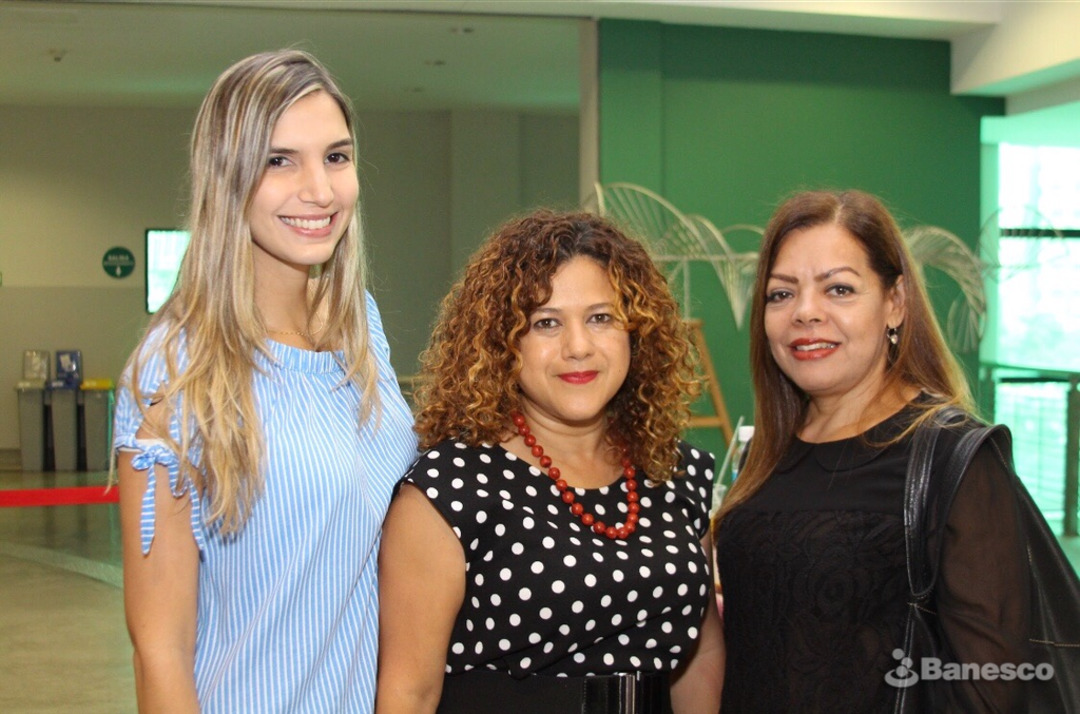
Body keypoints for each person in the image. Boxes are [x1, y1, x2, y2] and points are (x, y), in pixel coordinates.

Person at [113, 50, 417, 713]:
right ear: (227, 177)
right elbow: (159, 647)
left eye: (336, 157)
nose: (320, 189)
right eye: (281, 160)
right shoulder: (175, 366)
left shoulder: (359, 324)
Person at [375, 210, 724, 714]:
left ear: (636, 331)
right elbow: (410, 693)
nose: (578, 347)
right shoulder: (449, 490)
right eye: (545, 323)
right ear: (502, 342)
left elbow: (701, 654)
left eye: (601, 318)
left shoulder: (677, 474)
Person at [713, 189, 1030, 712]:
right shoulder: (764, 457)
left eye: (838, 289)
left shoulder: (953, 458)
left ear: (895, 302)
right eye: (781, 294)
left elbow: (990, 688)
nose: (805, 313)